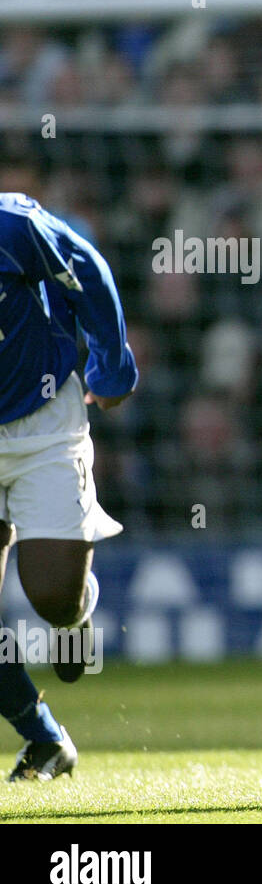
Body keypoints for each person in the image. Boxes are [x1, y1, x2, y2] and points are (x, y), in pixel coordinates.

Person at [0, 192, 138, 779]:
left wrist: (111, 368)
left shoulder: (13, 226)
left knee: (53, 598)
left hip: (43, 425)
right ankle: (46, 740)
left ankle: (75, 617)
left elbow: (89, 271)